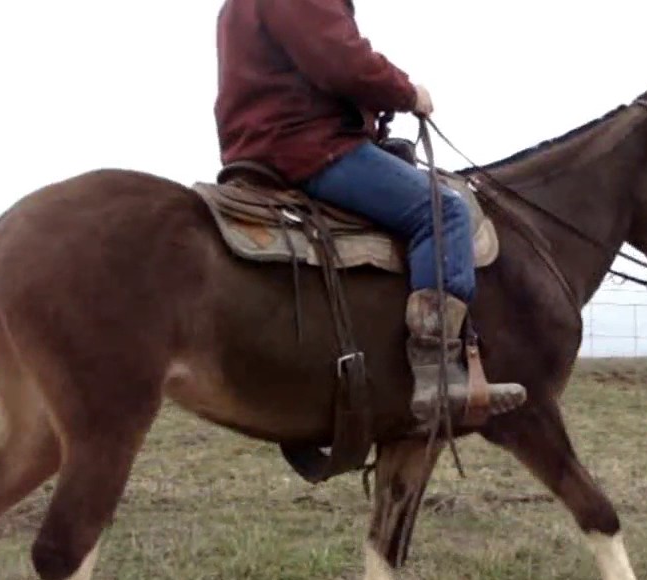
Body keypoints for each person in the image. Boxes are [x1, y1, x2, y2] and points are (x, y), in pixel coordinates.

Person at [214, 0, 527, 426]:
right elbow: (341, 61)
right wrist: (407, 93)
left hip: (265, 143)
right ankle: (436, 372)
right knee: (442, 210)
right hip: (309, 146)